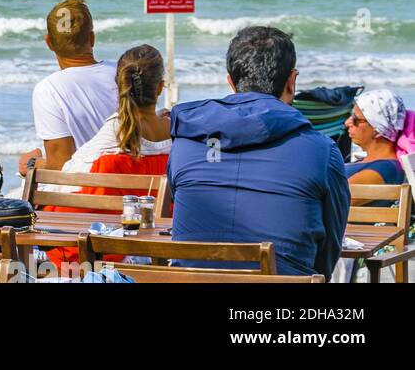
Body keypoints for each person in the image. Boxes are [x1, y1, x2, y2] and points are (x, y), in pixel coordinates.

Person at [168, 26, 350, 276]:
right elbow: (328, 251)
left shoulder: (185, 143)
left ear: (230, 81)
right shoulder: (321, 151)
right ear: (291, 81)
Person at [18, 0, 118, 178]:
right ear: (92, 38)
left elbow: (60, 164)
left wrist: (32, 163)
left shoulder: (49, 89)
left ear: (48, 42)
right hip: (132, 190)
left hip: (83, 196)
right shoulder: (123, 72)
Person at [50, 45, 171, 193]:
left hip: (112, 213)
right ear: (159, 87)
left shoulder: (114, 133)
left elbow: (63, 186)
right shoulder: (176, 131)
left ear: (120, 84)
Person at [345, 90, 408, 205]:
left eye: (355, 119)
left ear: (378, 129)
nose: (347, 123)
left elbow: (334, 200)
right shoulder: (377, 164)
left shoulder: (385, 169)